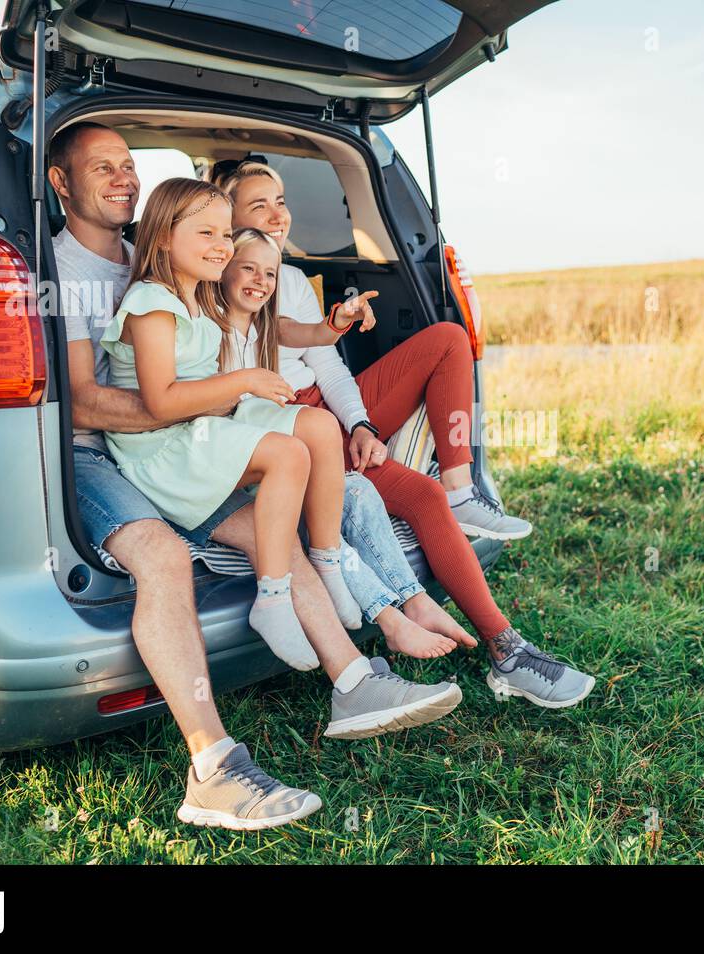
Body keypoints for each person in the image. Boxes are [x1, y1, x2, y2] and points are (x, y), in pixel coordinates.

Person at [49, 123, 459, 832]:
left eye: (128, 164)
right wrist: (212, 413)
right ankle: (212, 766)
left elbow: (240, 338)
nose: (123, 177)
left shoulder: (155, 260)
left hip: (185, 437)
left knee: (280, 534)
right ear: (60, 184)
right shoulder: (61, 271)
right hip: (97, 452)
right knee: (164, 556)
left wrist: (239, 405)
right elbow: (88, 402)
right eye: (101, 167)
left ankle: (354, 683)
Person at [216, 160, 596, 708]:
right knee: (417, 495)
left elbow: (329, 365)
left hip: (328, 415)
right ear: (227, 221)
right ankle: (494, 644)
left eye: (281, 200)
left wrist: (361, 424)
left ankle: (467, 503)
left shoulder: (289, 278)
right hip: (288, 428)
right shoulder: (219, 285)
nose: (278, 214)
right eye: (259, 205)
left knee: (446, 338)